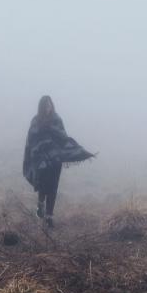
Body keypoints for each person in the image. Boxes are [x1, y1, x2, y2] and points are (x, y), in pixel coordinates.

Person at [22, 95, 94, 227]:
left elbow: (63, 137)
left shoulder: (57, 120)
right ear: (41, 107)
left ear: (52, 106)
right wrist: (39, 149)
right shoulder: (36, 121)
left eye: (49, 105)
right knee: (43, 186)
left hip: (55, 160)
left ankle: (49, 217)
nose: (48, 108)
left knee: (53, 187)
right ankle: (40, 204)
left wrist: (79, 151)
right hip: (42, 160)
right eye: (45, 106)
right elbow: (31, 140)